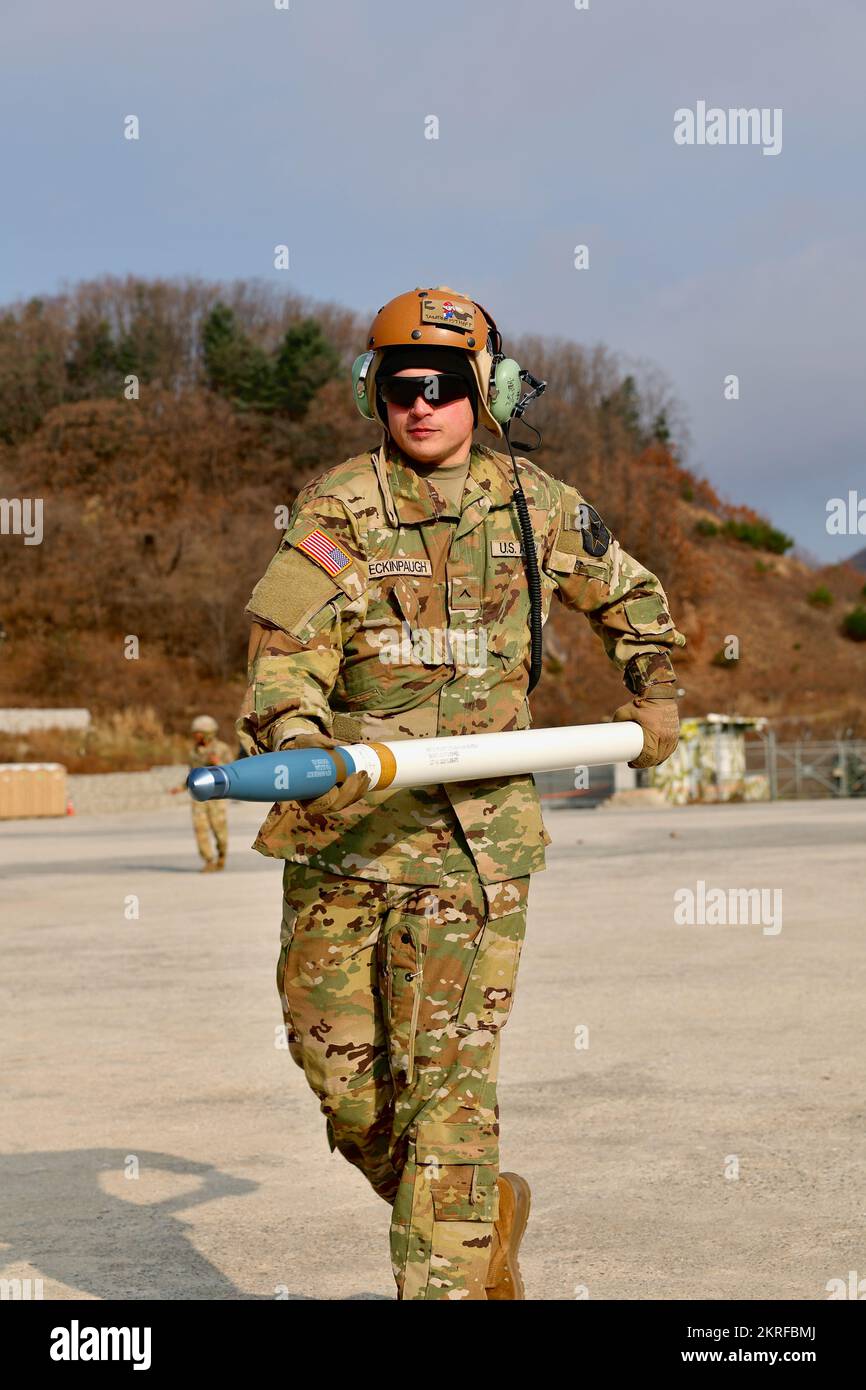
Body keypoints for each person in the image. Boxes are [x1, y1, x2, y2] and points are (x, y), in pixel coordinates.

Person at [237, 285, 685, 1300]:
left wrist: (651, 689)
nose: (420, 405)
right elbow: (285, 652)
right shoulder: (341, 506)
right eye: (400, 386)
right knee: (344, 1086)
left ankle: (447, 1271)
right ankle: (477, 1221)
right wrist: (298, 734)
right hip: (343, 835)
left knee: (449, 1101)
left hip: (476, 852)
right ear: (375, 394)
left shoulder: (536, 505)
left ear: (482, 392)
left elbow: (633, 596)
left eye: (441, 385)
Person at [170, 715, 233, 872]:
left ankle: (222, 854)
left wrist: (219, 763)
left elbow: (233, 772)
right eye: (195, 733)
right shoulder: (193, 753)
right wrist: (182, 787)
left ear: (209, 733)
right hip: (199, 796)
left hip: (217, 795)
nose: (196, 736)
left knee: (219, 830)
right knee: (200, 829)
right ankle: (208, 860)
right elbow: (193, 774)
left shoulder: (222, 749)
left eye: (199, 733)